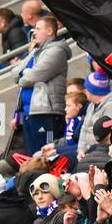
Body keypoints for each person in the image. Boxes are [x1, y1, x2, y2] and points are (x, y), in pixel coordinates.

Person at [13, 14, 70, 155]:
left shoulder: (57, 51)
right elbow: (14, 73)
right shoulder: (36, 51)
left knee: (45, 155)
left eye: (38, 29)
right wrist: (25, 73)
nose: (34, 32)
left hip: (46, 112)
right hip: (29, 112)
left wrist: (24, 73)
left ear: (50, 31)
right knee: (33, 155)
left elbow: (31, 77)